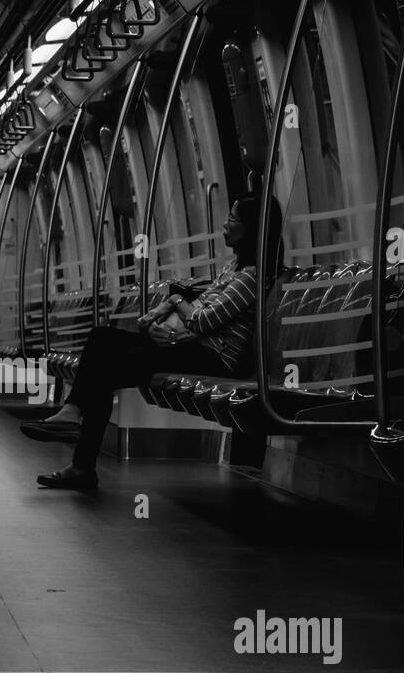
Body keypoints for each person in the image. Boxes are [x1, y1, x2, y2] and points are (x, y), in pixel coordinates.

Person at [21, 195, 275, 490]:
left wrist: (175, 302)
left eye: (233, 219)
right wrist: (169, 328)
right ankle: (76, 437)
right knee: (100, 339)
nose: (225, 224)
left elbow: (204, 320)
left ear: (252, 228)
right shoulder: (231, 269)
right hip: (194, 347)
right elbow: (202, 314)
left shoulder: (251, 278)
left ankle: (78, 444)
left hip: (214, 359)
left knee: (102, 365)